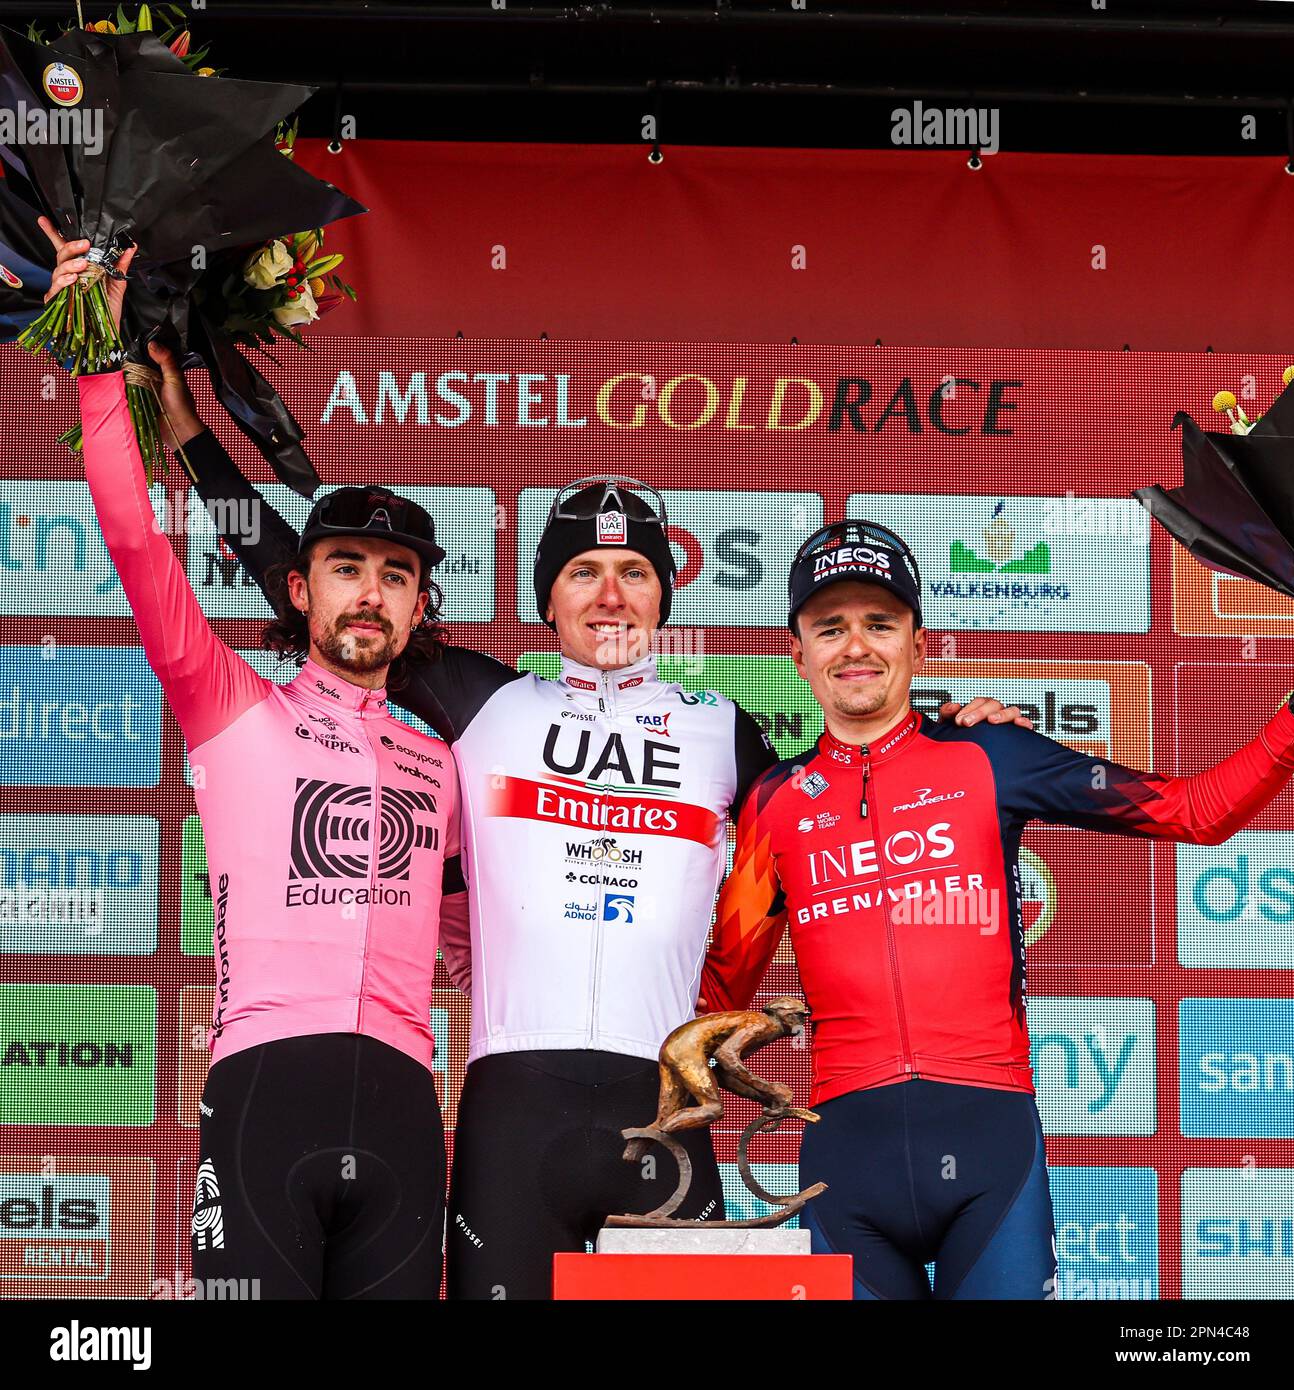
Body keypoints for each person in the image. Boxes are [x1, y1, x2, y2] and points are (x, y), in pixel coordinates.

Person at [46, 230, 1028, 1297]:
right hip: (509, 1115)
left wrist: (950, 733)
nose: (610, 594)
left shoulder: (722, 733)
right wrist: (190, 436)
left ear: (663, 598)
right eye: (584, 574)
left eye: (633, 574)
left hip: (668, 1111)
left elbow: (850, 786)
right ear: (548, 598)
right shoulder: (484, 705)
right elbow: (306, 579)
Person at [702, 518, 1294, 1300]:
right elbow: (720, 994)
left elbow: (1196, 812)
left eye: (880, 624)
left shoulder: (991, 753)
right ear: (799, 653)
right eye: (830, 627)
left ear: (919, 645)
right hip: (845, 1165)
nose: (856, 647)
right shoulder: (772, 805)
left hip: (989, 1148)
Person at [44, 221, 466, 1300]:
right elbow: (136, 539)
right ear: (299, 588)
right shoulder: (228, 704)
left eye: (392, 574)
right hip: (269, 1089)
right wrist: (98, 354)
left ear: (419, 607)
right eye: (344, 567)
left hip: (409, 1111)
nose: (368, 590)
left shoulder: (447, 759)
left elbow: (486, 932)